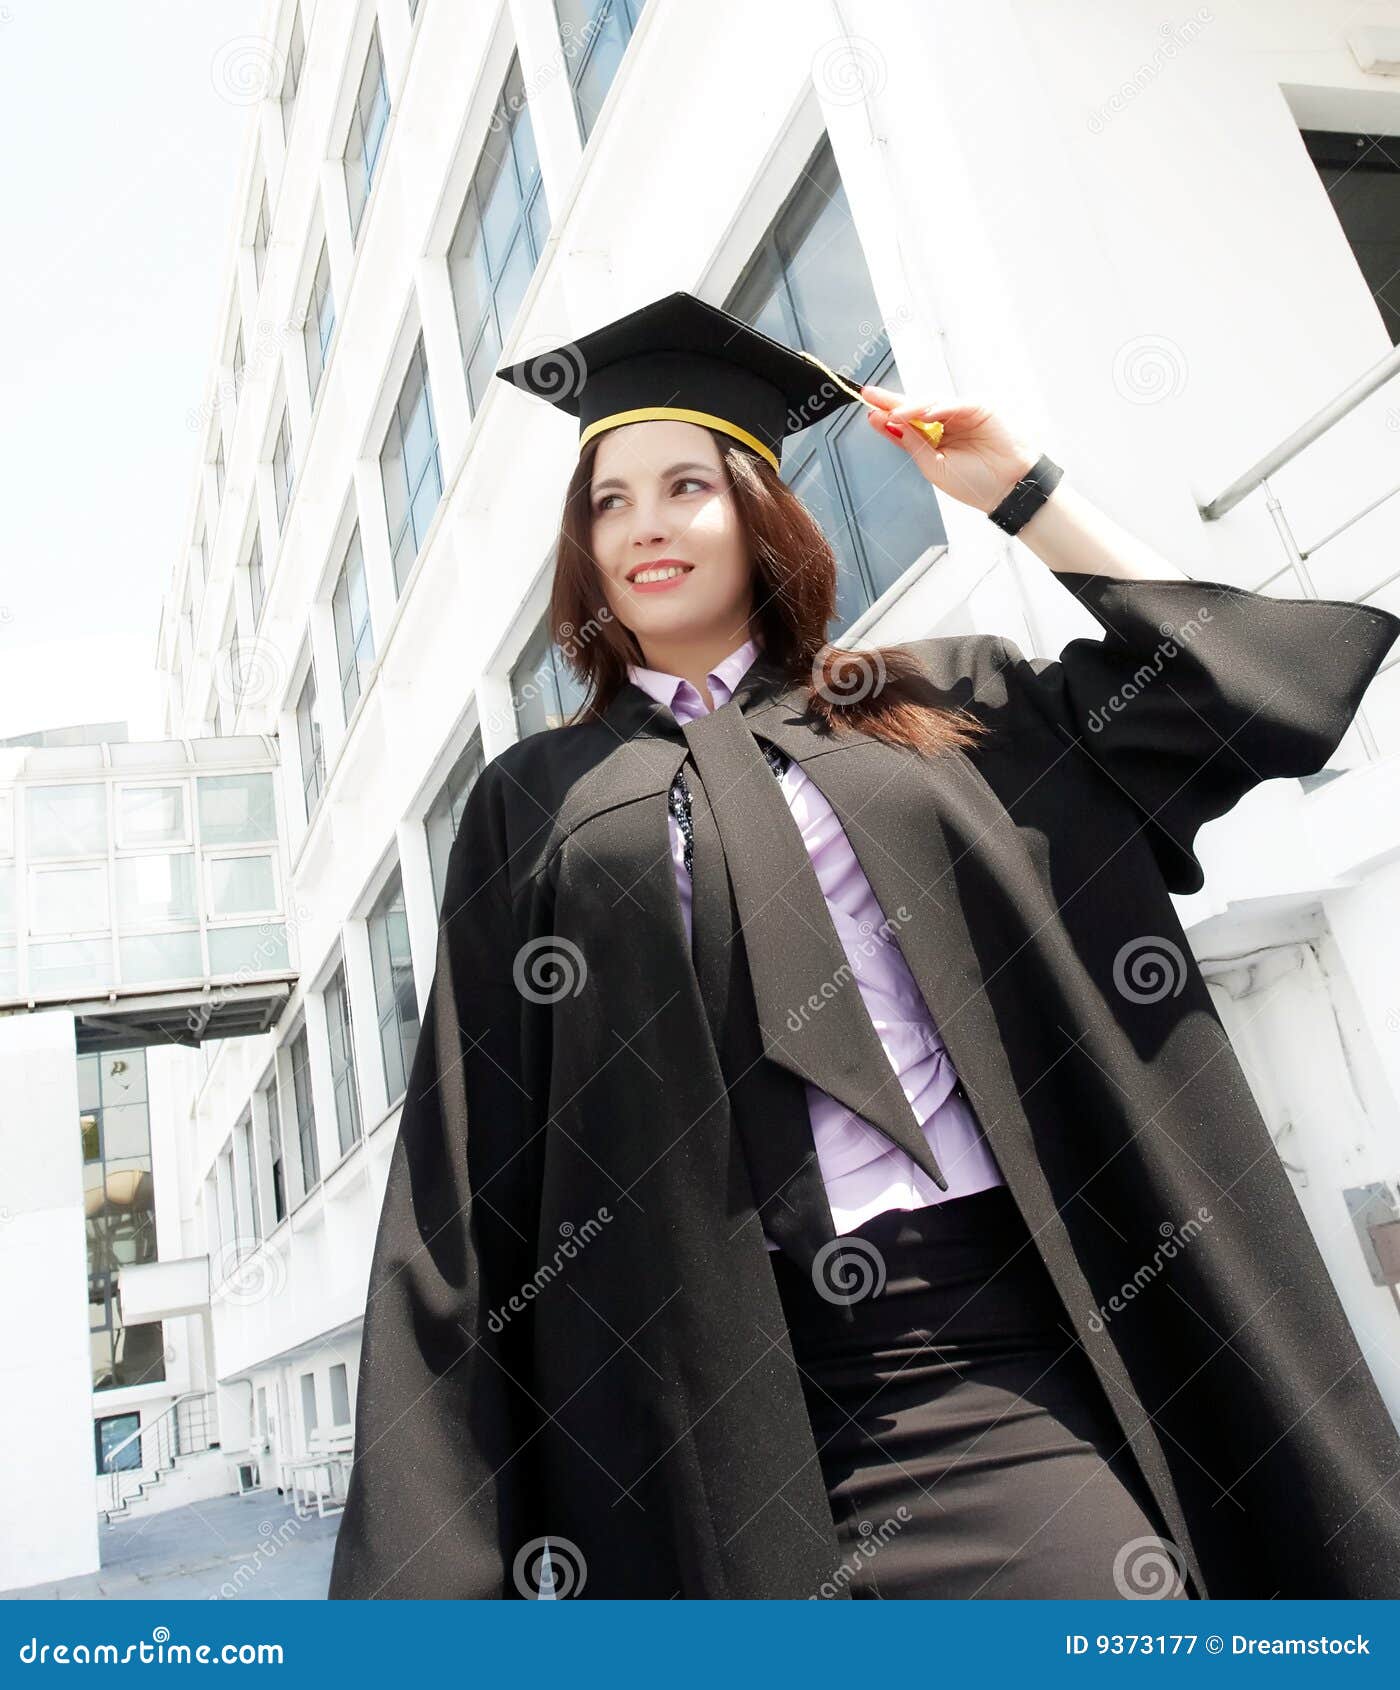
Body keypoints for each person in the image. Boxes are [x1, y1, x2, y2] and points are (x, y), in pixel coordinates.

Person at [328, 291, 1400, 1601]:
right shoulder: (536, 801)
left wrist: (1020, 491)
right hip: (686, 1430)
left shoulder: (936, 710)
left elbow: (1252, 692)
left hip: (986, 1370)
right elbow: (463, 1178)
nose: (644, 524)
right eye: (608, 502)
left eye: (686, 486)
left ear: (762, 514)